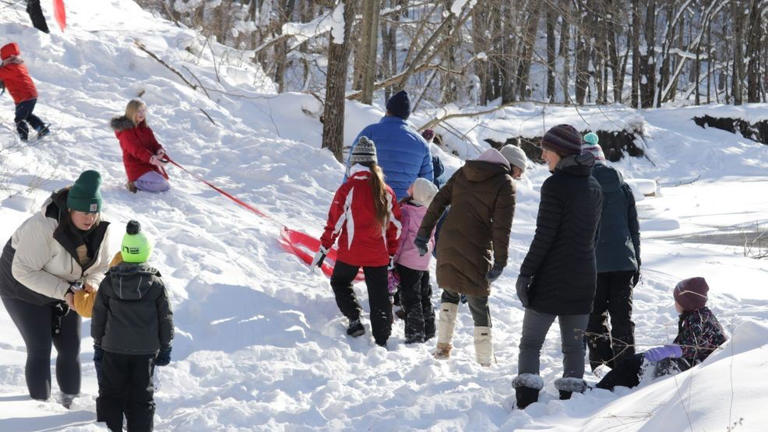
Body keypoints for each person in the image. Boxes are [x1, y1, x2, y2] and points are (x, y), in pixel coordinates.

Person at [0, 170, 112, 406]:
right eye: (84, 212)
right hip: (21, 288)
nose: (90, 218)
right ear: (70, 208)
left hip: (67, 287)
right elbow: (23, 271)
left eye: (94, 211)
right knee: (40, 346)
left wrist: (91, 283)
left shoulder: (99, 227)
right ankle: (39, 408)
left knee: (70, 347)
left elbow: (101, 266)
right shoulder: (43, 226)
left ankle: (70, 402)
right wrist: (65, 292)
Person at [513, 124, 602, 408]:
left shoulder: (554, 186)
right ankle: (571, 402)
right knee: (574, 346)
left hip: (551, 278)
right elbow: (594, 237)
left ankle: (526, 401)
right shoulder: (595, 186)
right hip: (584, 277)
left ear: (559, 151)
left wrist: (526, 273)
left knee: (530, 343)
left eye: (546, 150)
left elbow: (544, 236)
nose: (542, 156)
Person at [415, 147, 516, 366]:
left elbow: (438, 202)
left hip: (449, 241)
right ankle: (484, 360)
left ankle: (442, 348)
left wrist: (423, 234)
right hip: (476, 246)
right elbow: (502, 227)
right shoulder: (504, 183)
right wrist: (500, 261)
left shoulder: (464, 171)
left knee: (450, 292)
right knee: (478, 299)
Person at [313, 137, 402, 347]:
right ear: (374, 162)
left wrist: (324, 248)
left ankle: (354, 319)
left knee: (340, 282)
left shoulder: (347, 189)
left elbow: (334, 224)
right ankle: (382, 339)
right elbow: (395, 226)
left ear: (354, 163)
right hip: (378, 256)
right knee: (379, 296)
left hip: (350, 254)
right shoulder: (386, 191)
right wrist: (391, 252)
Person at [92, 220, 173, 432]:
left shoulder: (109, 282)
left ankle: (108, 429)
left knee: (111, 395)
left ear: (125, 252)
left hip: (113, 349)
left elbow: (98, 315)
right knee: (141, 396)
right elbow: (165, 317)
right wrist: (165, 346)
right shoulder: (155, 284)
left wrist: (98, 344)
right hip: (145, 352)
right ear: (145, 252)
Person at [596, 277, 727, 391]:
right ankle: (610, 385)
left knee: (635, 364)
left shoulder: (699, 319)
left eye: (677, 299)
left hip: (698, 369)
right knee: (636, 364)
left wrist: (662, 352)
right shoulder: (699, 314)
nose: (675, 302)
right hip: (697, 363)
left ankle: (601, 389)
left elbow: (690, 347)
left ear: (687, 302)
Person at [582, 132, 642, 371]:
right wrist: (636, 261)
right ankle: (627, 369)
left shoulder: (582, 188)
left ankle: (602, 366)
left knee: (594, 317)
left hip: (593, 265)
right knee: (622, 319)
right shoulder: (623, 187)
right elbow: (633, 229)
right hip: (623, 263)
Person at [346, 90, 433, 200]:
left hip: (370, 205)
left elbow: (352, 167)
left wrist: (346, 195)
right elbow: (427, 184)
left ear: (388, 110)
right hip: (403, 210)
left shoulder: (369, 133)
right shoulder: (422, 144)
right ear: (406, 115)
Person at [392, 178, 438, 344]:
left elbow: (401, 237)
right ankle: (430, 330)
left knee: (410, 298)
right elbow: (431, 238)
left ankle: (415, 334)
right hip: (423, 263)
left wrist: (393, 258)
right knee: (424, 296)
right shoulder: (429, 213)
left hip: (407, 262)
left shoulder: (407, 212)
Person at [111, 99, 170, 193]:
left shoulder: (145, 129)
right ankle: (134, 184)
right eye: (138, 111)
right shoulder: (126, 132)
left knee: (165, 186)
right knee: (163, 185)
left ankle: (143, 182)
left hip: (149, 166)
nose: (142, 113)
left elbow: (153, 143)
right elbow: (136, 150)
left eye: (143, 110)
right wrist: (151, 158)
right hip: (136, 168)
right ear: (131, 112)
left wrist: (159, 150)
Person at [0, 43, 50, 142]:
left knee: (19, 119)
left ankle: (23, 138)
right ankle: (42, 129)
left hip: (25, 97)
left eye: (3, 60)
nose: (2, 62)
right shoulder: (18, 65)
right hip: (28, 96)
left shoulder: (11, 68)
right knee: (27, 115)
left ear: (9, 58)